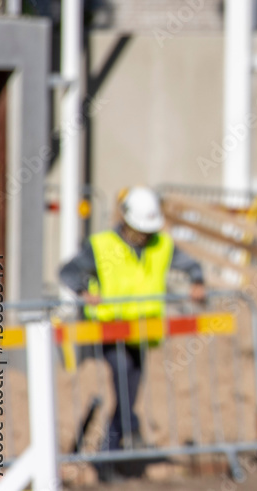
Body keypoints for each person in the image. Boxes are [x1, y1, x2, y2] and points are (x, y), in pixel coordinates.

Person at [59, 186, 205, 481]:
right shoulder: (102, 245)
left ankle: (108, 456)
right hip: (111, 331)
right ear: (126, 221)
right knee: (123, 386)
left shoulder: (162, 245)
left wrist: (197, 282)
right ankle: (115, 448)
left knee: (130, 394)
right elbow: (69, 273)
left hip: (143, 332)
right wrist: (85, 290)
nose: (145, 236)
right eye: (140, 229)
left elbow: (191, 266)